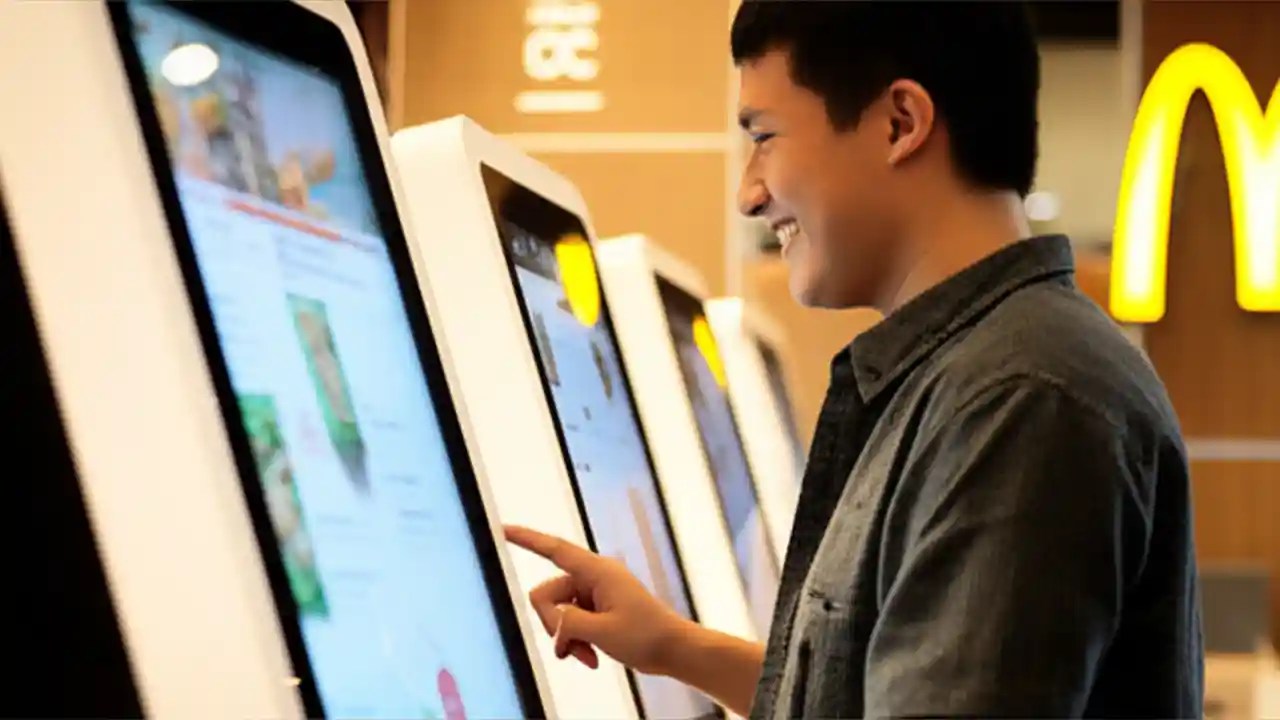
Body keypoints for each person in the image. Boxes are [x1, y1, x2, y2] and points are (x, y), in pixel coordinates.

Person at [506, 2, 1204, 717]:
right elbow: (875, 686)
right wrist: (672, 647)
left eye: (766, 137)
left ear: (900, 123)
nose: (750, 192)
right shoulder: (983, 373)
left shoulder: (1021, 399)